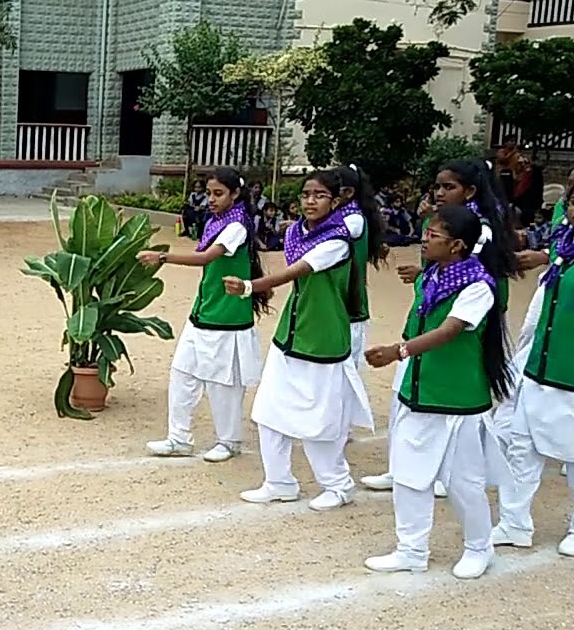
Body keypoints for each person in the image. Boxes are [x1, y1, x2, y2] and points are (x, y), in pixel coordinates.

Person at [362, 205, 512, 578]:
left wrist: (398, 352)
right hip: (420, 393)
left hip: (457, 400)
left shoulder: (478, 286)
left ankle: (479, 547)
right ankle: (411, 549)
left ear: (458, 245)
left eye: (434, 236)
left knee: (464, 484)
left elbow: (449, 330)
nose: (424, 240)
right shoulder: (433, 276)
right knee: (409, 476)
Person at [363, 159, 520, 495]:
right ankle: (402, 468)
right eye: (437, 186)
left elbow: (469, 272)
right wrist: (423, 273)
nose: (439, 193)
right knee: (404, 396)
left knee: (455, 400)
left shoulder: (479, 229)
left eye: (449, 187)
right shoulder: (441, 224)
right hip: (429, 314)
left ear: (471, 191)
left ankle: (453, 471)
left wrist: (398, 349)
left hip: (465, 317)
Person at [223, 169, 374, 511]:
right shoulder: (298, 232)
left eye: (320, 195)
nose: (310, 201)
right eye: (306, 194)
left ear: (336, 201)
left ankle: (338, 485)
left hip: (321, 340)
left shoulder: (337, 241)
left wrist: (250, 287)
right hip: (289, 336)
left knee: (319, 420)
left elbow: (300, 270)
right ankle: (279, 482)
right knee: (267, 411)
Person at [493, 178, 574, 557]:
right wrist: (541, 256)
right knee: (522, 447)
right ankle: (514, 523)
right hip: (543, 367)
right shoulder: (566, 247)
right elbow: (557, 268)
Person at [139, 168, 270, 463]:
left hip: (226, 319)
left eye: (218, 193)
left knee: (223, 383)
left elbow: (206, 257)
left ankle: (229, 441)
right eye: (209, 193)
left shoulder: (236, 226)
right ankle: (179, 437)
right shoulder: (217, 221)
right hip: (204, 312)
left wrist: (162, 256)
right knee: (182, 374)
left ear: (235, 194)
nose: (210, 199)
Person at [334, 164, 388, 371]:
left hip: (348, 305)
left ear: (348, 192)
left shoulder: (352, 220)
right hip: (336, 304)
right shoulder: (341, 217)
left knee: (345, 372)